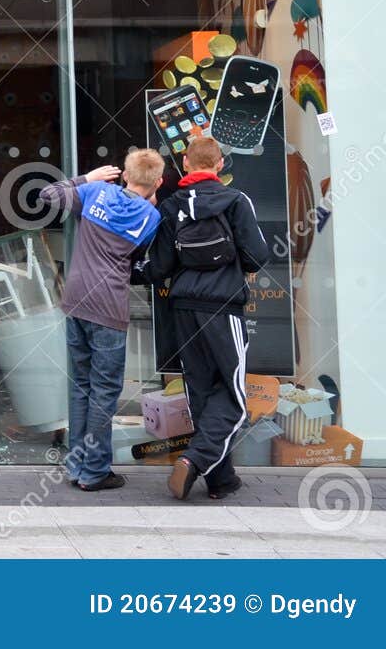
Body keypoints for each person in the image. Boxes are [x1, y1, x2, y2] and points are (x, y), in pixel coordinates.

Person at [145, 136, 270, 501]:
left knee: (200, 393)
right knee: (233, 394)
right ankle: (195, 458)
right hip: (223, 307)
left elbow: (160, 266)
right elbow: (257, 256)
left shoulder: (171, 206)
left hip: (183, 308)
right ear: (219, 165)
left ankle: (221, 481)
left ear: (185, 164)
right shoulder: (236, 200)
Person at [38, 149, 165, 491]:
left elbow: (47, 194)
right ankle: (94, 471)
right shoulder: (151, 217)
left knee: (81, 385)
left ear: (124, 174)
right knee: (104, 392)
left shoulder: (95, 192)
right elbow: (138, 255)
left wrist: (87, 178)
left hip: (76, 300)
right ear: (158, 182)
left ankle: (77, 466)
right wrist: (148, 204)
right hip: (109, 307)